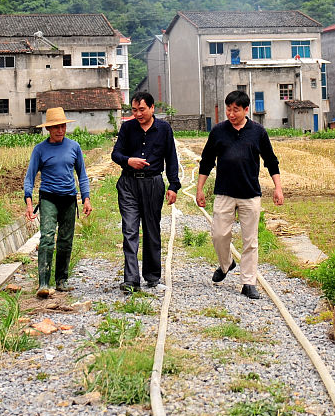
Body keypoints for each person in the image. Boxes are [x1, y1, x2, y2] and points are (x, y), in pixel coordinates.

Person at [195, 90, 284, 300]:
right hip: (224, 193)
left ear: (246, 110)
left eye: (236, 110)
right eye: (228, 109)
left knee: (250, 241)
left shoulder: (258, 132)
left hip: (250, 194)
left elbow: (271, 160)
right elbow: (207, 161)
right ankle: (226, 264)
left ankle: (248, 282)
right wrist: (200, 189)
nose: (231, 114)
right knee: (219, 234)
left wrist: (278, 188)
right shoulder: (218, 131)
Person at [111, 91, 181, 293]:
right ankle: (131, 279)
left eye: (142, 109)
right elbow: (116, 153)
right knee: (130, 229)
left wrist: (173, 186)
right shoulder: (127, 127)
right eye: (134, 110)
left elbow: (171, 158)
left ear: (152, 108)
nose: (138, 114)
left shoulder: (164, 129)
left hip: (153, 183)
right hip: (128, 184)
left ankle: (152, 277)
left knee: (152, 229)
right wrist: (128, 161)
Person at [23, 107, 91, 298]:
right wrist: (28, 202)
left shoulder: (74, 147)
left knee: (65, 240)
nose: (60, 130)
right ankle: (43, 282)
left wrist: (86, 198)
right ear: (48, 130)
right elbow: (29, 177)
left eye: (62, 126)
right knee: (46, 237)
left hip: (69, 199)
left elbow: (82, 175)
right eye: (55, 127)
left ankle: (61, 280)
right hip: (49, 198)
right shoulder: (40, 150)